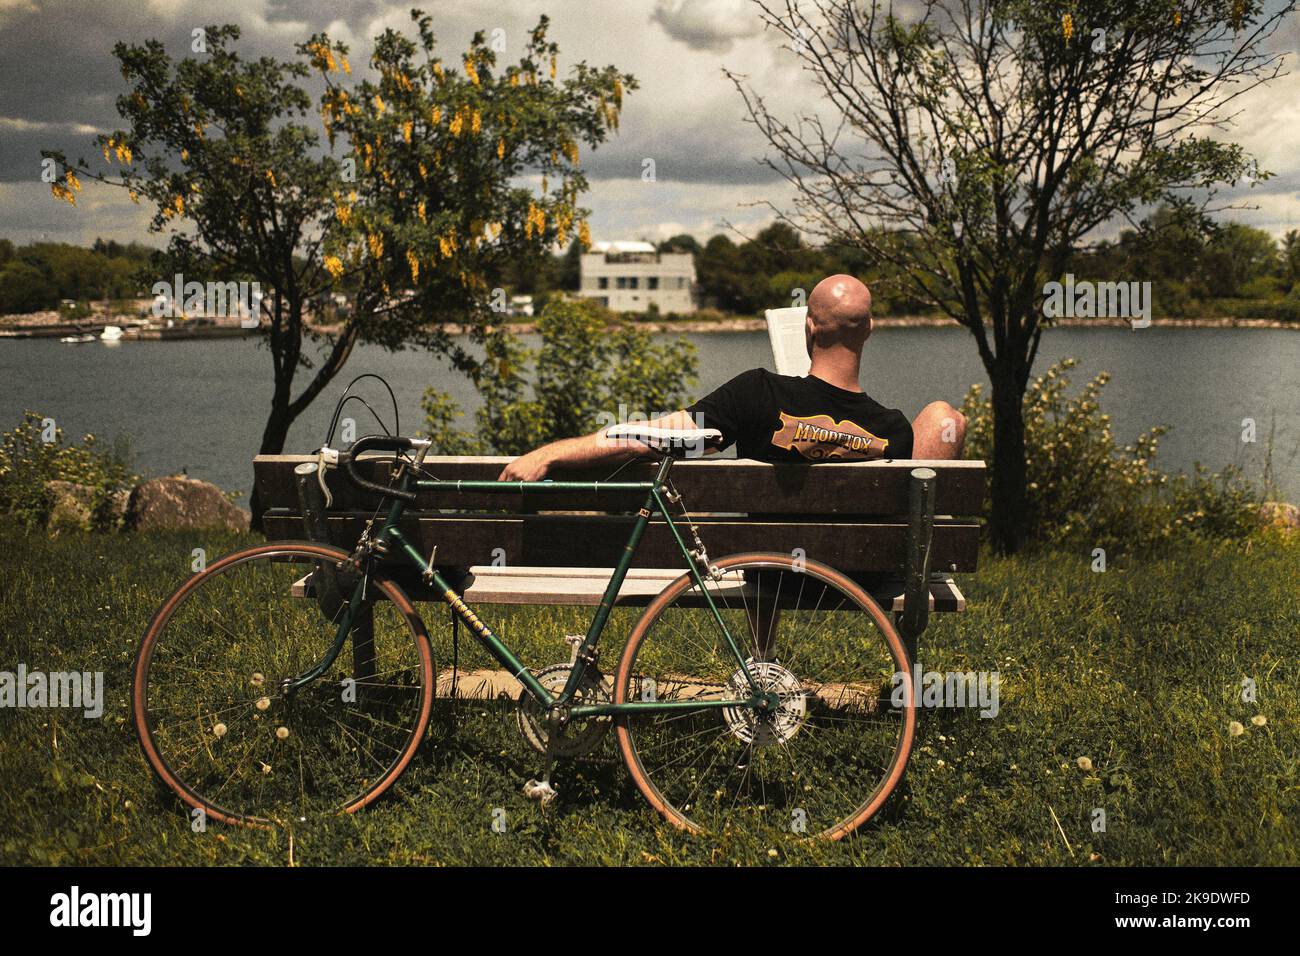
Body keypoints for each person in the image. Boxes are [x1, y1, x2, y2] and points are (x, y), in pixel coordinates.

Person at [498, 274, 965, 481]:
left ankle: (761, 658)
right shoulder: (893, 431)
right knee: (945, 416)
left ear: (807, 327)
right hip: (863, 574)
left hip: (766, 565)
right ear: (868, 330)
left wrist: (552, 452)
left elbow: (650, 439)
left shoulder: (757, 393)